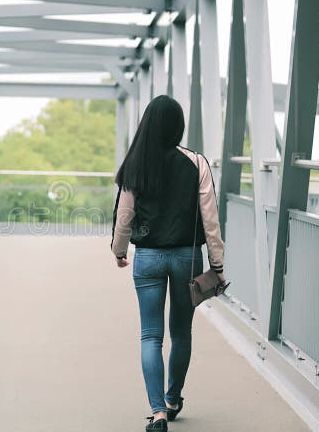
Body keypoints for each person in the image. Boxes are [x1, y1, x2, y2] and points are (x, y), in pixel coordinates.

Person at [110, 95, 225, 432]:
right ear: (179, 126)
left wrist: (119, 250)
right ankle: (174, 399)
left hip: (147, 258)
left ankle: (158, 413)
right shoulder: (197, 163)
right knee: (181, 332)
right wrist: (217, 264)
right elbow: (210, 219)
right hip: (187, 258)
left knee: (150, 336)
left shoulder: (136, 164)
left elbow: (124, 214)